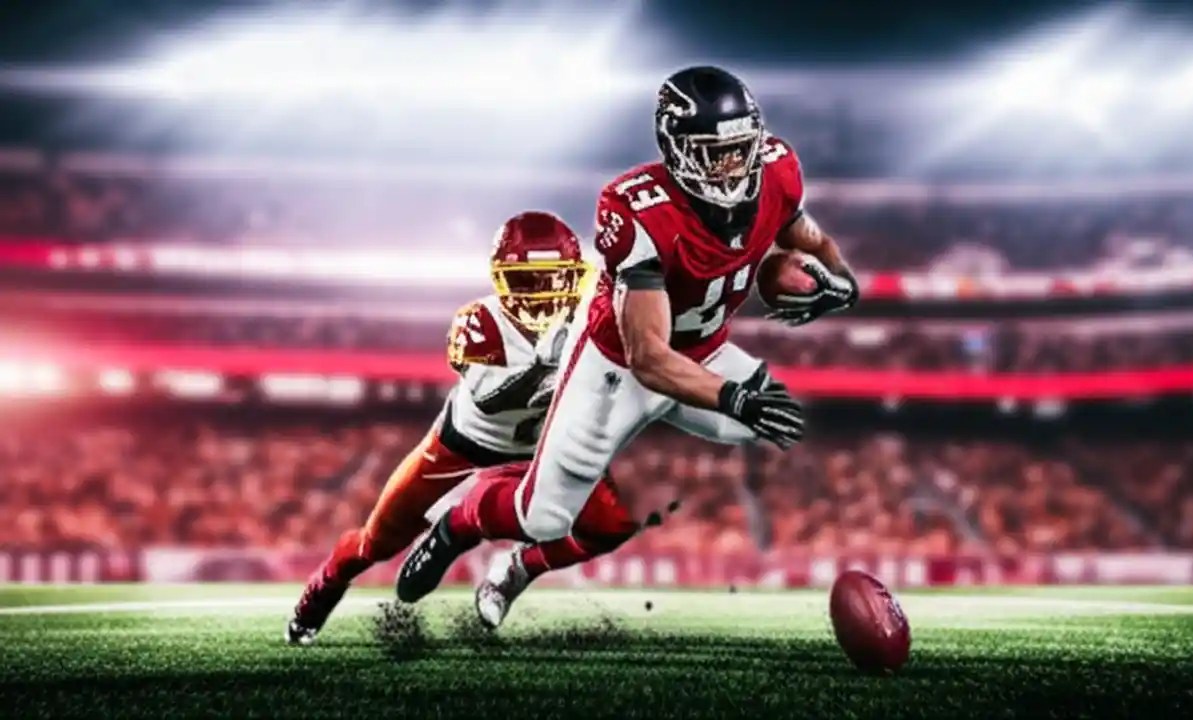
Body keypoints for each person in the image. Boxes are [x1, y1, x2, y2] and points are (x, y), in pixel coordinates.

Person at [396, 65, 858, 609]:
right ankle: (458, 521)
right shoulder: (636, 208)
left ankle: (517, 570)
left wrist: (840, 282)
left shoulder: (778, 170)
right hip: (617, 367)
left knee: (772, 418)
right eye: (716, 152)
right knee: (542, 515)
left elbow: (807, 235)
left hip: (700, 349)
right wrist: (731, 394)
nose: (734, 165)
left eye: (740, 148)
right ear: (678, 149)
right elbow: (648, 357)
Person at [286, 210, 636, 644]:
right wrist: (558, 365)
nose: (543, 295)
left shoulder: (593, 311)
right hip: (468, 442)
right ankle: (326, 585)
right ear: (501, 280)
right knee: (376, 541)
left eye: (556, 279)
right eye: (528, 281)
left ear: (574, 277)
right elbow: (494, 399)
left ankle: (513, 569)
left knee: (609, 527)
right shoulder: (481, 323)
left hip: (548, 446)